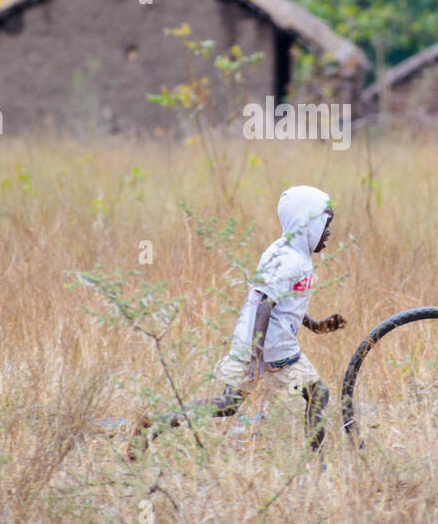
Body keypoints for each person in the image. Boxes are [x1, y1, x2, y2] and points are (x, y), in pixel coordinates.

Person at [130, 185, 344, 455]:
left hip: (255, 345)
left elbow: (282, 306)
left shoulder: (287, 252)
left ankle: (156, 425)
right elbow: (265, 304)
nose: (329, 233)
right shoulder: (290, 260)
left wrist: (316, 326)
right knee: (318, 395)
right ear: (307, 224)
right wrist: (258, 357)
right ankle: (319, 466)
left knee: (228, 404)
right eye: (326, 224)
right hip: (272, 351)